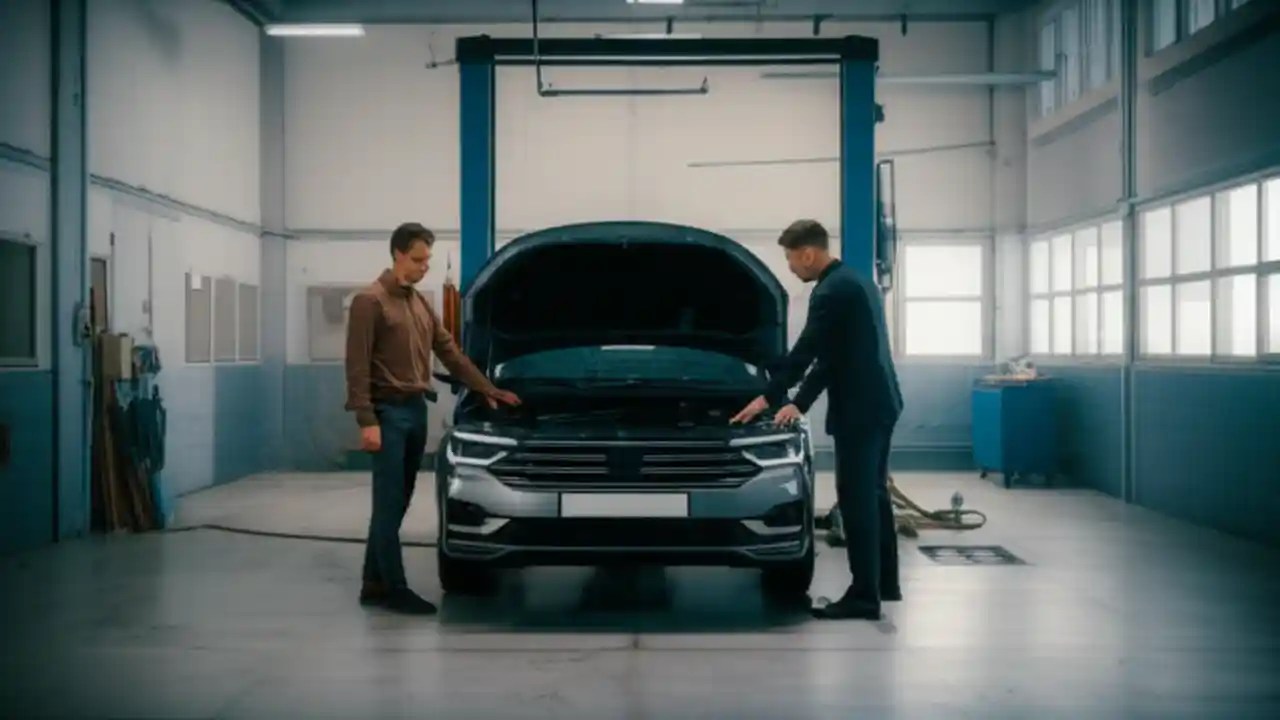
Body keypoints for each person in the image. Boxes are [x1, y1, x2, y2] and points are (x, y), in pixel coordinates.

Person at [730, 219, 903, 620]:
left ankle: (863, 597)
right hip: (882, 403)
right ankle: (885, 583)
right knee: (875, 496)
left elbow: (807, 352)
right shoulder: (856, 282)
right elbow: (834, 356)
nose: (791, 267)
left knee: (856, 500)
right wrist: (799, 403)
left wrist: (768, 397)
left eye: (791, 259)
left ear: (807, 253)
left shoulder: (829, 292)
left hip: (860, 410)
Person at [345, 222, 521, 615]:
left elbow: (450, 352)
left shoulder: (418, 303)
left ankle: (372, 583)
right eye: (418, 259)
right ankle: (395, 588)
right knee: (388, 504)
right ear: (397, 254)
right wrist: (366, 420)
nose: (424, 267)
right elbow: (356, 368)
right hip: (387, 413)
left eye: (427, 260)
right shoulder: (369, 302)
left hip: (414, 411)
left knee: (398, 502)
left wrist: (486, 388)